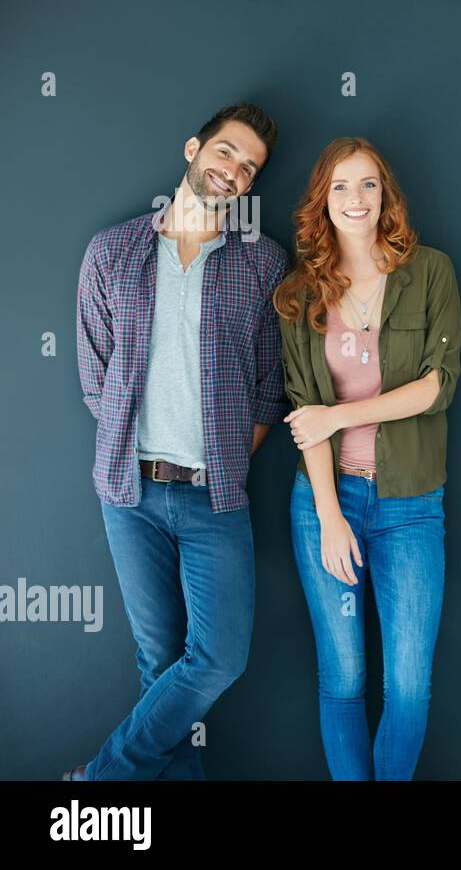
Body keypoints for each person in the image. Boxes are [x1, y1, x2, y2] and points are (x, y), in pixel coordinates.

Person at [67, 102, 288, 780]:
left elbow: (268, 389)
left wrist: (222, 459)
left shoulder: (263, 263)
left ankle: (105, 781)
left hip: (213, 498)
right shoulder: (112, 252)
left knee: (219, 658)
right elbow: (94, 374)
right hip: (128, 492)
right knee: (159, 665)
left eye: (248, 167)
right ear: (194, 149)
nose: (233, 171)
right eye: (226, 153)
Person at [273, 137, 461, 780]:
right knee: (345, 678)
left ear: (387, 197)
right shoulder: (299, 295)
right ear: (322, 202)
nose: (356, 199)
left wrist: (342, 414)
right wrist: (328, 516)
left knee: (408, 686)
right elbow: (304, 416)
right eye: (341, 187)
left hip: (412, 502)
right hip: (328, 502)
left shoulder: (431, 271)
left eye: (368, 185)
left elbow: (438, 385)